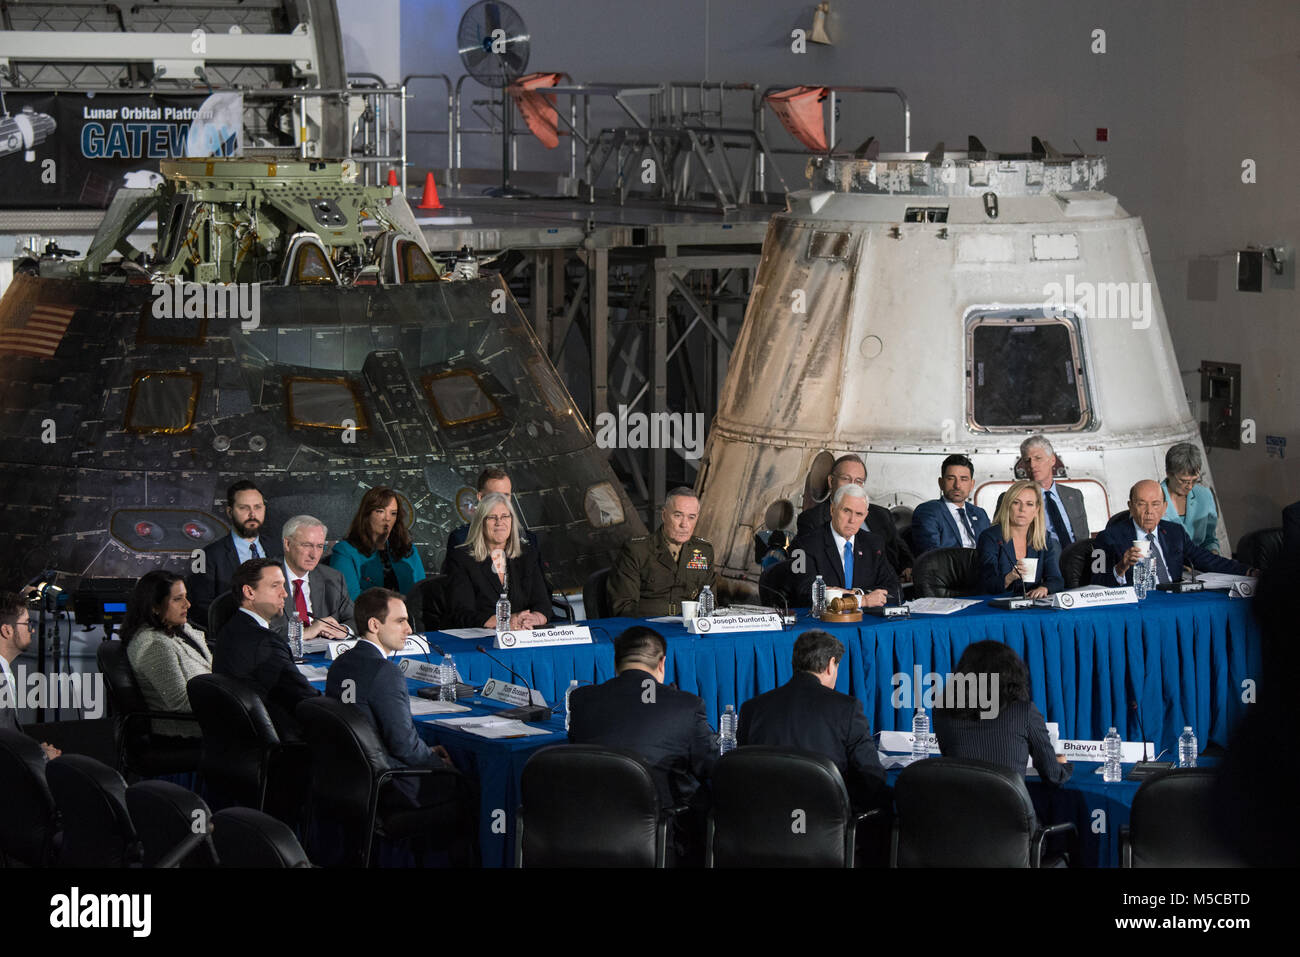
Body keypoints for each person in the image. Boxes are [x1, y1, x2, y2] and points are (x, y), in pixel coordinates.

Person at [568, 626, 718, 861]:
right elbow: (708, 766)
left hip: (590, 832)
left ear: (616, 663)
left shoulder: (581, 700)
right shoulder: (687, 706)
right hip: (663, 838)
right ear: (662, 663)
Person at [325, 589, 459, 808]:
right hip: (389, 785)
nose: (409, 629)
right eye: (400, 621)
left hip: (348, 777)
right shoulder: (385, 672)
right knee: (467, 785)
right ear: (374, 625)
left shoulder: (340, 663)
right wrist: (441, 765)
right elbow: (403, 745)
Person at [738, 630, 887, 811]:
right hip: (826, 823)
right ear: (831, 665)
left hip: (766, 822)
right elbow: (871, 776)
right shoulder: (847, 708)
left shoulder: (752, 708)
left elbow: (743, 773)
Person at [932, 640, 1071, 784]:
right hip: (1010, 805)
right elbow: (1053, 775)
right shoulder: (1025, 712)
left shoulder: (942, 712)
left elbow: (950, 757)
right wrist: (1062, 765)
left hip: (959, 804)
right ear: (1012, 674)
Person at [211, 558, 319, 737]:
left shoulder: (231, 628)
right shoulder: (263, 642)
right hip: (282, 741)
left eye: (284, 585)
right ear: (249, 592)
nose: (285, 594)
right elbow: (304, 696)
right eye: (275, 585)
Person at [1091, 479, 1255, 586]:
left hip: (1175, 600)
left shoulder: (1174, 532)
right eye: (1142, 504)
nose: (1149, 511)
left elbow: (1206, 560)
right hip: (1137, 607)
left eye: (1155, 504)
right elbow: (1095, 581)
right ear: (1130, 506)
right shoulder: (1107, 538)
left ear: (1164, 508)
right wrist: (1121, 567)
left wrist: (1248, 571)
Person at [121, 571, 211, 739]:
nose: (188, 604)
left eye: (186, 596)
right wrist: (233, 702)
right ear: (154, 606)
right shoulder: (154, 645)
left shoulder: (181, 630)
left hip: (209, 720)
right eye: (178, 599)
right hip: (185, 732)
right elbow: (181, 704)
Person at [796, 453, 913, 580]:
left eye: (858, 481)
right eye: (846, 478)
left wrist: (907, 568)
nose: (852, 485)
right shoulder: (812, 519)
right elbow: (808, 570)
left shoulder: (881, 515)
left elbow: (902, 552)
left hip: (885, 587)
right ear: (831, 481)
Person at [443, 492, 550, 630]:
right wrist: (504, 622)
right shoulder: (461, 558)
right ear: (481, 522)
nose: (499, 522)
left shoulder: (527, 554)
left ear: (512, 520)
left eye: (505, 516)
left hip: (524, 634)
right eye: (492, 517)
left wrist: (533, 618)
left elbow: (543, 603)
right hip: (481, 639)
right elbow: (461, 613)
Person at [607, 487, 717, 617]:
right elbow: (623, 607)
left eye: (691, 517)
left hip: (690, 629)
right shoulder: (637, 550)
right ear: (664, 515)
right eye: (678, 516)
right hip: (647, 629)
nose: (684, 524)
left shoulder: (704, 551)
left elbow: (710, 604)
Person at [187, 480, 283, 628]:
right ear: (230, 512)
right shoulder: (205, 556)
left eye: (257, 507)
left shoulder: (279, 548)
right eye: (244, 508)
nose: (252, 514)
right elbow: (201, 609)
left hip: (278, 633)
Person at [788, 484, 901, 607]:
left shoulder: (874, 544)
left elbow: (896, 591)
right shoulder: (802, 545)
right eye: (846, 511)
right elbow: (803, 593)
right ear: (832, 510)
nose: (852, 520)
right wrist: (861, 600)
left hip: (865, 621)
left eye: (859, 514)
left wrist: (857, 593)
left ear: (865, 516)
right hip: (823, 623)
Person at [441, 467, 546, 582]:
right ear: (480, 498)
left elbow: (541, 592)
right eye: (496, 496)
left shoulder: (528, 540)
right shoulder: (461, 539)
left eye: (506, 496)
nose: (502, 501)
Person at [328, 487, 426, 600]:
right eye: (380, 511)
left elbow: (421, 593)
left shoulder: (408, 550)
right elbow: (350, 599)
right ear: (367, 514)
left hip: (408, 615)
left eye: (393, 513)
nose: (387, 518)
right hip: (366, 616)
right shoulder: (345, 551)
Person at [976, 479, 1064, 597]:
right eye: (1016, 502)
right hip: (997, 605)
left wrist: (1044, 588)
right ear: (1008, 506)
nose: (1022, 509)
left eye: (1029, 504)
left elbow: (1056, 579)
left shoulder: (1043, 537)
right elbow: (986, 584)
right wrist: (1009, 578)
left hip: (1032, 605)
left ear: (1036, 510)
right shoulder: (990, 537)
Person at [0, 591, 60, 759]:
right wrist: (40, 755)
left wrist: (36, 749)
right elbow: (4, 745)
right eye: (27, 624)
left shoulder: (5, 670)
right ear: (7, 630)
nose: (32, 630)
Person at [1003, 435, 1088, 548]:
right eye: (1027, 461)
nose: (1032, 465)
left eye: (1038, 458)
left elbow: (1083, 535)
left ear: (1052, 460)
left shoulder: (1074, 495)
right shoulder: (1012, 498)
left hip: (1077, 558)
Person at [278, 515, 354, 640]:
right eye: (307, 545)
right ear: (287, 544)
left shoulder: (332, 578)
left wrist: (344, 630)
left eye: (319, 546)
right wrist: (307, 632)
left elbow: (354, 618)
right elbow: (260, 631)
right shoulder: (265, 577)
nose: (314, 555)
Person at [910, 454, 993, 554]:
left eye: (963, 479)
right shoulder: (928, 511)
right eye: (951, 478)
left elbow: (991, 550)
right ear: (941, 483)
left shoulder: (980, 514)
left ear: (972, 484)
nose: (957, 486)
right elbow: (932, 556)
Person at [1160, 443, 1219, 552]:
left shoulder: (1204, 495)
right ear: (1169, 473)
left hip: (1200, 564)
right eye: (1184, 481)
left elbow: (1210, 540)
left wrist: (1213, 553)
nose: (1190, 486)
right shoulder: (1152, 499)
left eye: (1195, 480)